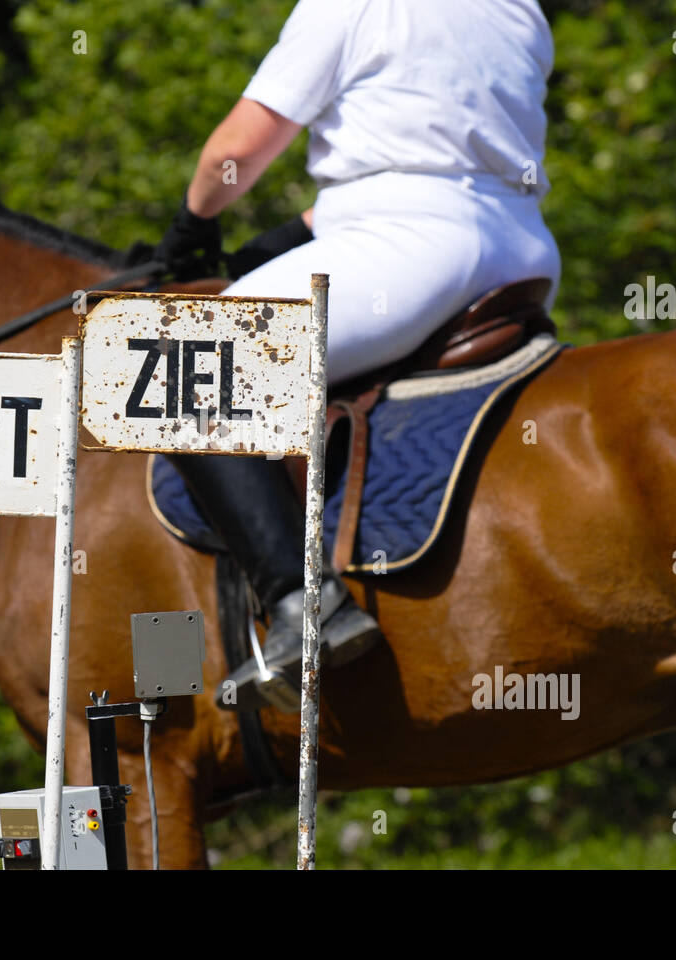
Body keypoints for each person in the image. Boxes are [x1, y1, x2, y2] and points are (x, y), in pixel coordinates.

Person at [155, 0, 561, 713]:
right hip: (515, 247)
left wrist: (194, 224)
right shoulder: (516, 10)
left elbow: (239, 151)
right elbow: (426, 156)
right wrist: (279, 244)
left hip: (408, 252)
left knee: (189, 358)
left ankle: (297, 607)